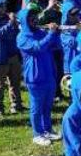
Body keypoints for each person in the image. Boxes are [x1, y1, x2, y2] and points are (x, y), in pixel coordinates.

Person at [17, 9, 62, 145]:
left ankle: (47, 129)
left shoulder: (41, 32)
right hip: (35, 76)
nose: (35, 20)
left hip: (49, 73)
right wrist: (50, 35)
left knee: (47, 106)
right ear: (25, 21)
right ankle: (37, 134)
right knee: (36, 107)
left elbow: (55, 46)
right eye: (31, 18)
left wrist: (56, 35)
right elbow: (37, 48)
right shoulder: (22, 37)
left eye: (35, 17)